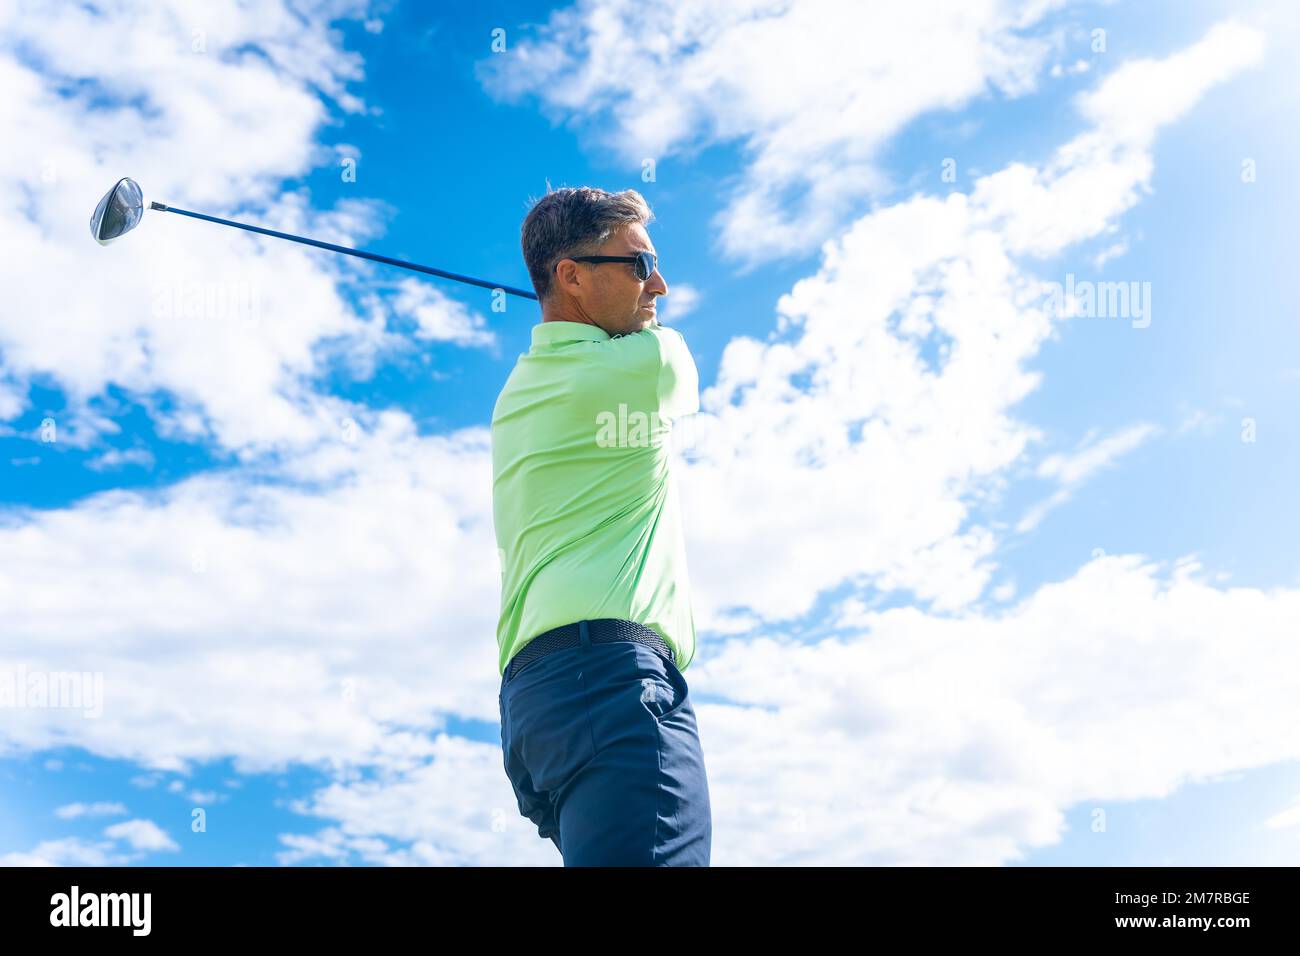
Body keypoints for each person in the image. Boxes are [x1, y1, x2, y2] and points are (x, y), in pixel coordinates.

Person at [492, 185, 711, 866]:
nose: (661, 286)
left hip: (539, 706)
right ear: (572, 275)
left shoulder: (523, 386)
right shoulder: (638, 369)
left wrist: (606, 300)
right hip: (613, 680)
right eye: (641, 264)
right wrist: (630, 320)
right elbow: (673, 357)